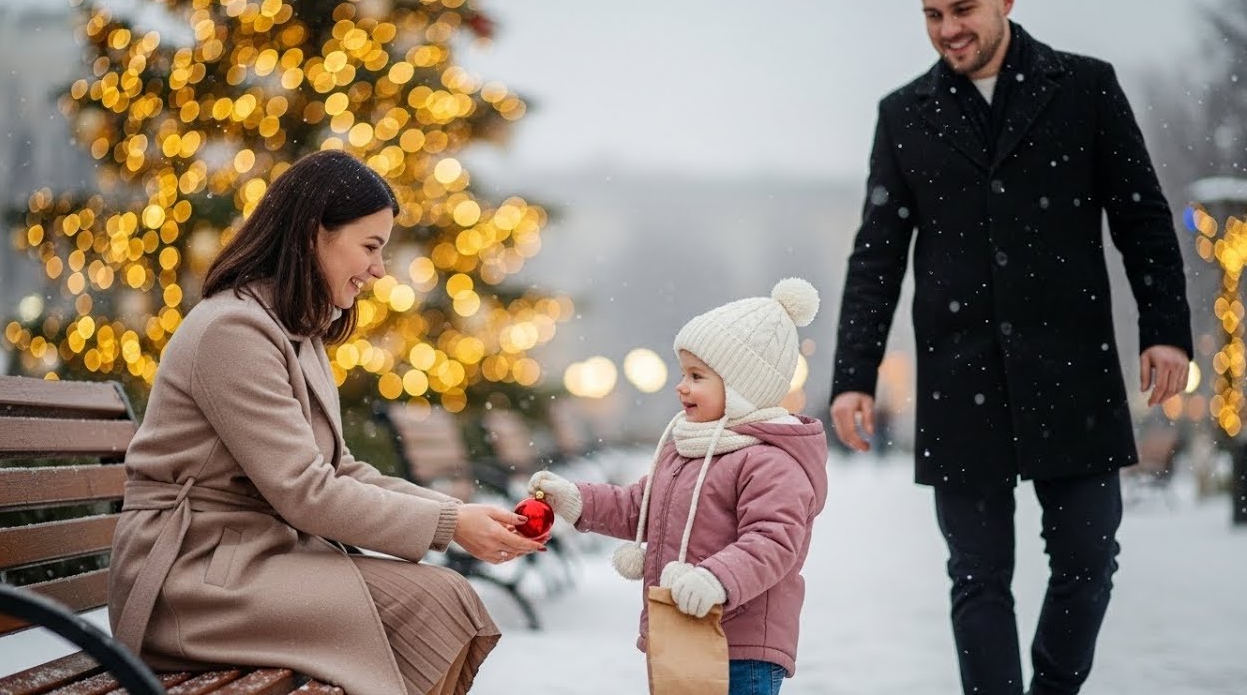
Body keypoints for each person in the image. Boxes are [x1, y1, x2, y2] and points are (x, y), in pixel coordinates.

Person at [829, 0, 1193, 694]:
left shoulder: (1085, 88)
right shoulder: (905, 114)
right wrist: (852, 376)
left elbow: (1143, 217)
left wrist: (1166, 329)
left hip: (1074, 371)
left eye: (963, 9)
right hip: (959, 378)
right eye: (932, 15)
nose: (947, 29)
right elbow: (876, 256)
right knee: (978, 577)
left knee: (1089, 560)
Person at [107, 150, 544, 695]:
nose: (380, 270)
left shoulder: (295, 332)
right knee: (433, 602)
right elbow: (305, 491)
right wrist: (449, 527)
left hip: (253, 559)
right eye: (370, 246)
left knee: (447, 597)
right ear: (314, 234)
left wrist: (454, 515)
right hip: (192, 577)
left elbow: (339, 469)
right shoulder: (233, 332)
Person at [531, 278, 828, 695]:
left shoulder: (771, 461)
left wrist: (716, 580)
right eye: (683, 372)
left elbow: (773, 542)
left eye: (697, 375)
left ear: (743, 388)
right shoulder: (686, 447)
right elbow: (640, 507)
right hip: (680, 630)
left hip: (738, 644)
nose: (681, 385)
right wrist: (578, 501)